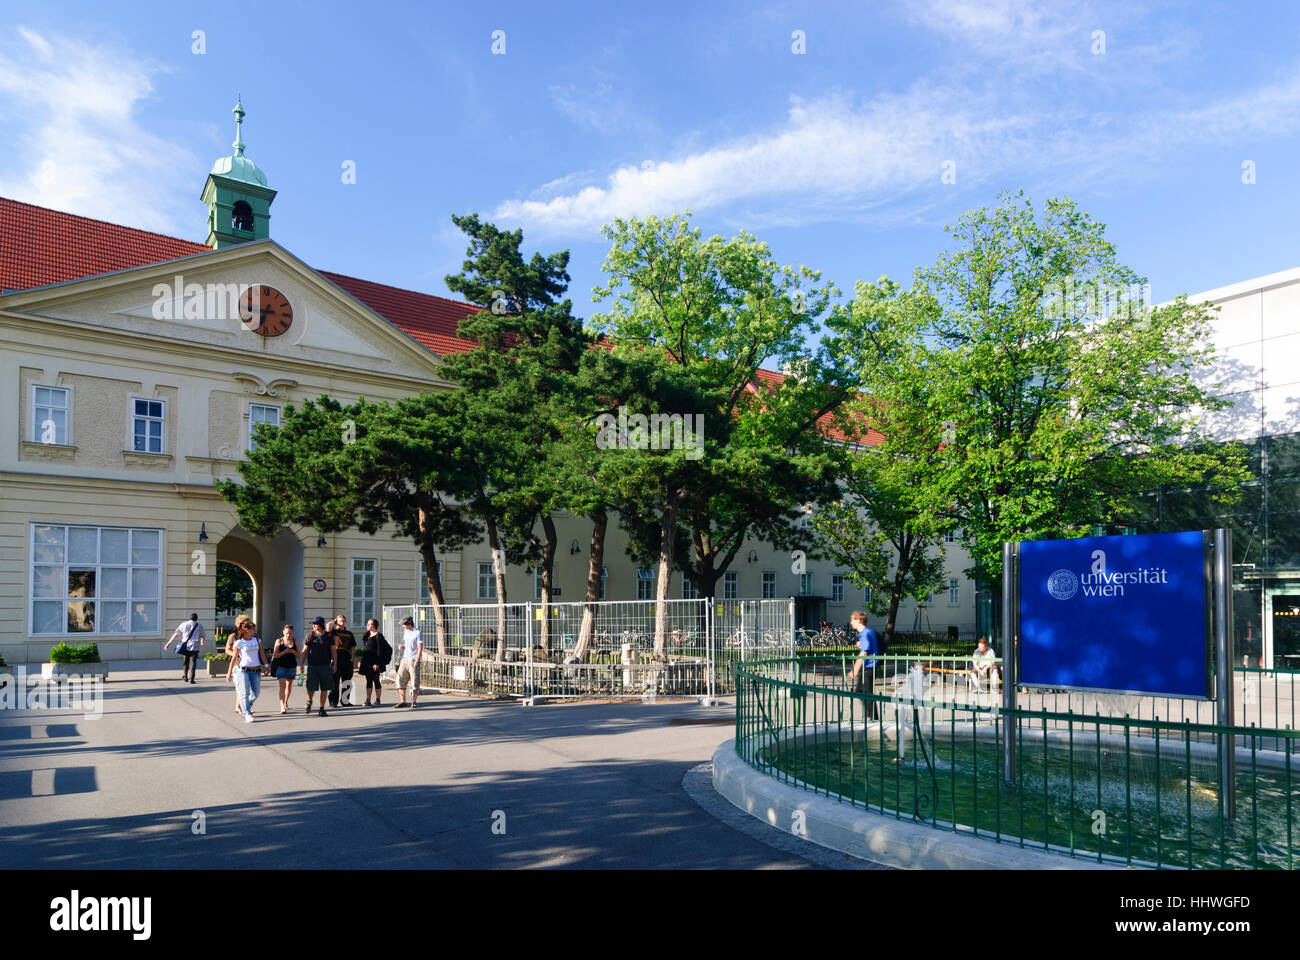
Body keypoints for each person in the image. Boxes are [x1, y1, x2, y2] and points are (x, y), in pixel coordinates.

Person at [226, 617, 267, 723]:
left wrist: (266, 665)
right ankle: (247, 713)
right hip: (243, 670)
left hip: (256, 670)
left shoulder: (257, 640)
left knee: (256, 692)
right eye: (253, 629)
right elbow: (234, 658)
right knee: (245, 693)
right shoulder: (239, 643)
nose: (255, 631)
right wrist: (229, 672)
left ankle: (245, 706)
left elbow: (262, 653)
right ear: (246, 630)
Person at [302, 617, 337, 717]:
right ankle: (309, 701)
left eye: (315, 624)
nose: (313, 626)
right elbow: (305, 650)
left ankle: (322, 709)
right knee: (310, 688)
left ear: (321, 625)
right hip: (312, 666)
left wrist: (335, 664)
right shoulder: (310, 635)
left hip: (325, 666)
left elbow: (333, 651)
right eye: (312, 624)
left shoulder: (329, 636)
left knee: (324, 688)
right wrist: (301, 664)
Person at [849, 610, 879, 721]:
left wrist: (855, 670)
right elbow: (867, 646)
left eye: (853, 619)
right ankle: (871, 716)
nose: (851, 622)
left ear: (859, 620)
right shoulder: (867, 632)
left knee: (866, 692)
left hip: (869, 667)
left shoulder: (865, 633)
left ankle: (873, 718)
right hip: (869, 666)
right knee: (860, 690)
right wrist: (860, 644)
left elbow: (864, 652)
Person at [164, 613, 205, 683]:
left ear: (190, 618)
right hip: (195, 647)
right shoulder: (199, 626)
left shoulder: (183, 624)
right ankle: (192, 679)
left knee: (186, 662)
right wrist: (202, 642)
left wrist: (168, 643)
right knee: (193, 663)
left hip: (185, 646)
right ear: (196, 618)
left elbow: (176, 634)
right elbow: (203, 636)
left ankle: (185, 677)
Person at [358, 617, 390, 707]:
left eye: (370, 624)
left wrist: (377, 663)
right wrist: (361, 661)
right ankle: (368, 699)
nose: (367, 626)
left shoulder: (378, 636)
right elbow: (365, 650)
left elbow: (380, 651)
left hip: (375, 662)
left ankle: (378, 699)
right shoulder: (366, 635)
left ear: (374, 625)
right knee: (368, 681)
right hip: (367, 662)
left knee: (376, 680)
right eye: (367, 624)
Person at [270, 624, 300, 714]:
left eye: (290, 633)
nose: (288, 635)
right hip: (281, 666)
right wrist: (285, 652)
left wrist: (293, 651)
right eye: (287, 633)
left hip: (291, 666)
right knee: (282, 685)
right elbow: (275, 655)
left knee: (288, 686)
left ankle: (286, 701)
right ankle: (282, 706)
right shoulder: (279, 641)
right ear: (283, 632)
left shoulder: (295, 641)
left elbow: (299, 655)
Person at [328, 614, 357, 708]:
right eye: (340, 621)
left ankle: (345, 701)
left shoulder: (349, 633)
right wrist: (334, 621)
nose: (342, 623)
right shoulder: (333, 632)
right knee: (334, 682)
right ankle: (333, 701)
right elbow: (328, 627)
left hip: (346, 659)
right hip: (336, 659)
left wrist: (352, 658)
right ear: (337, 622)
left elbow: (352, 646)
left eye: (343, 621)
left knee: (347, 681)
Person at [394, 615, 422, 709]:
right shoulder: (406, 631)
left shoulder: (418, 633)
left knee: (414, 682)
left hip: (413, 660)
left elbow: (419, 648)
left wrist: (417, 660)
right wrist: (403, 647)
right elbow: (408, 645)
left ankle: (413, 702)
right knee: (400, 679)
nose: (402, 626)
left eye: (404, 624)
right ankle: (403, 701)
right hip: (404, 658)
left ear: (409, 624)